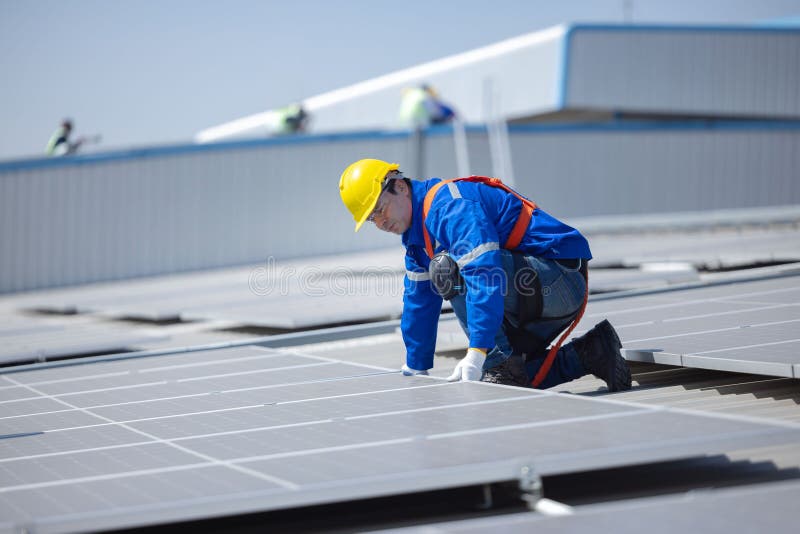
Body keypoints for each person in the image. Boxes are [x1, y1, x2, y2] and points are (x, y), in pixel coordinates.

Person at [338, 159, 632, 391]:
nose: (380, 221)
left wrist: (478, 351)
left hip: (560, 279)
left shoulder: (448, 206)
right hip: (530, 289)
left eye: (379, 209)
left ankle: (499, 366)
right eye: (371, 219)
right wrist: (416, 367)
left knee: (449, 271)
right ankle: (593, 352)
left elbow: (483, 271)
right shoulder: (416, 240)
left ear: (400, 187)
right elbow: (418, 301)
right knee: (513, 378)